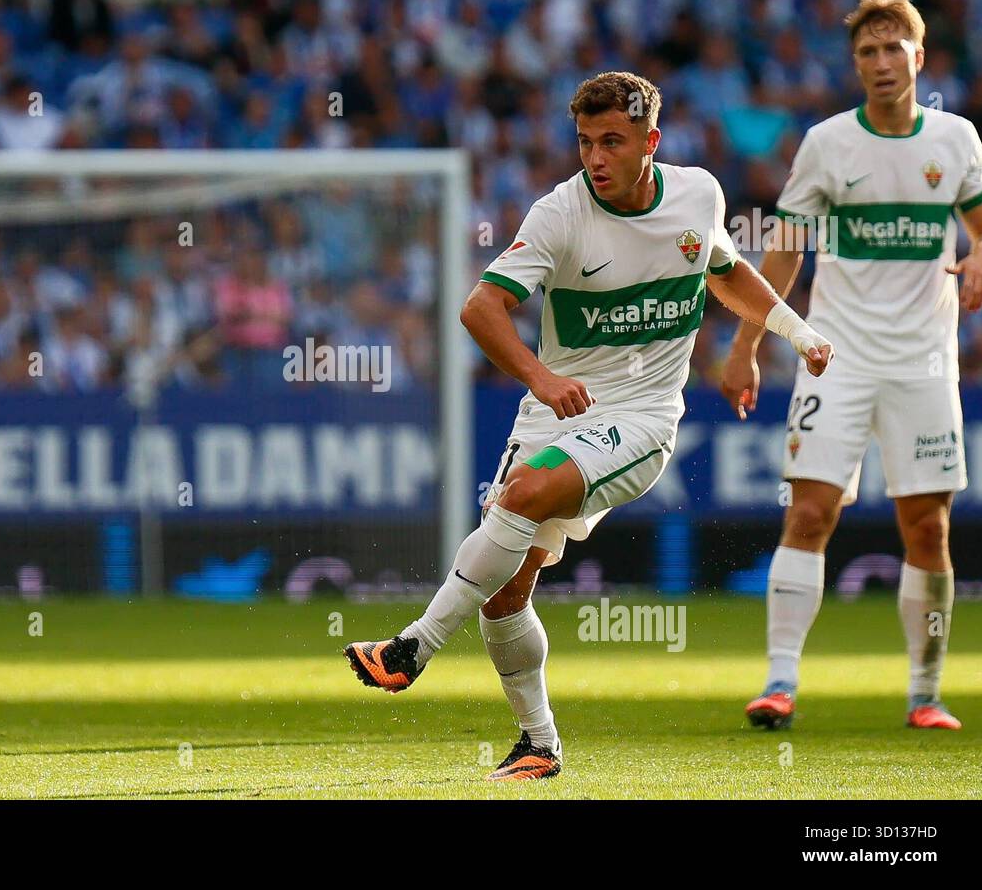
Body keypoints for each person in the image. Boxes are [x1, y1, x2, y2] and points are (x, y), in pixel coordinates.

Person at [344, 71, 834, 781]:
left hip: (641, 419)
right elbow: (480, 308)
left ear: (651, 143)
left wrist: (793, 331)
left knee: (519, 499)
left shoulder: (697, 194)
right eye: (584, 141)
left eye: (612, 141)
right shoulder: (559, 213)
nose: (595, 157)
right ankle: (539, 744)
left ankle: (411, 648)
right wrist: (542, 379)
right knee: (506, 591)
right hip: (554, 408)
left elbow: (725, 272)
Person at [722, 0, 982, 732]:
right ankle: (779, 684)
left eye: (892, 49)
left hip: (925, 364)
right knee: (810, 513)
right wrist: (746, 346)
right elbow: (784, 252)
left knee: (927, 531)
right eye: (867, 52)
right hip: (833, 355)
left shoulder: (957, 140)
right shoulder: (828, 144)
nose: (880, 63)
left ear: (919, 57)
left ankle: (925, 695)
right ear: (856, 64)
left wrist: (981, 253)